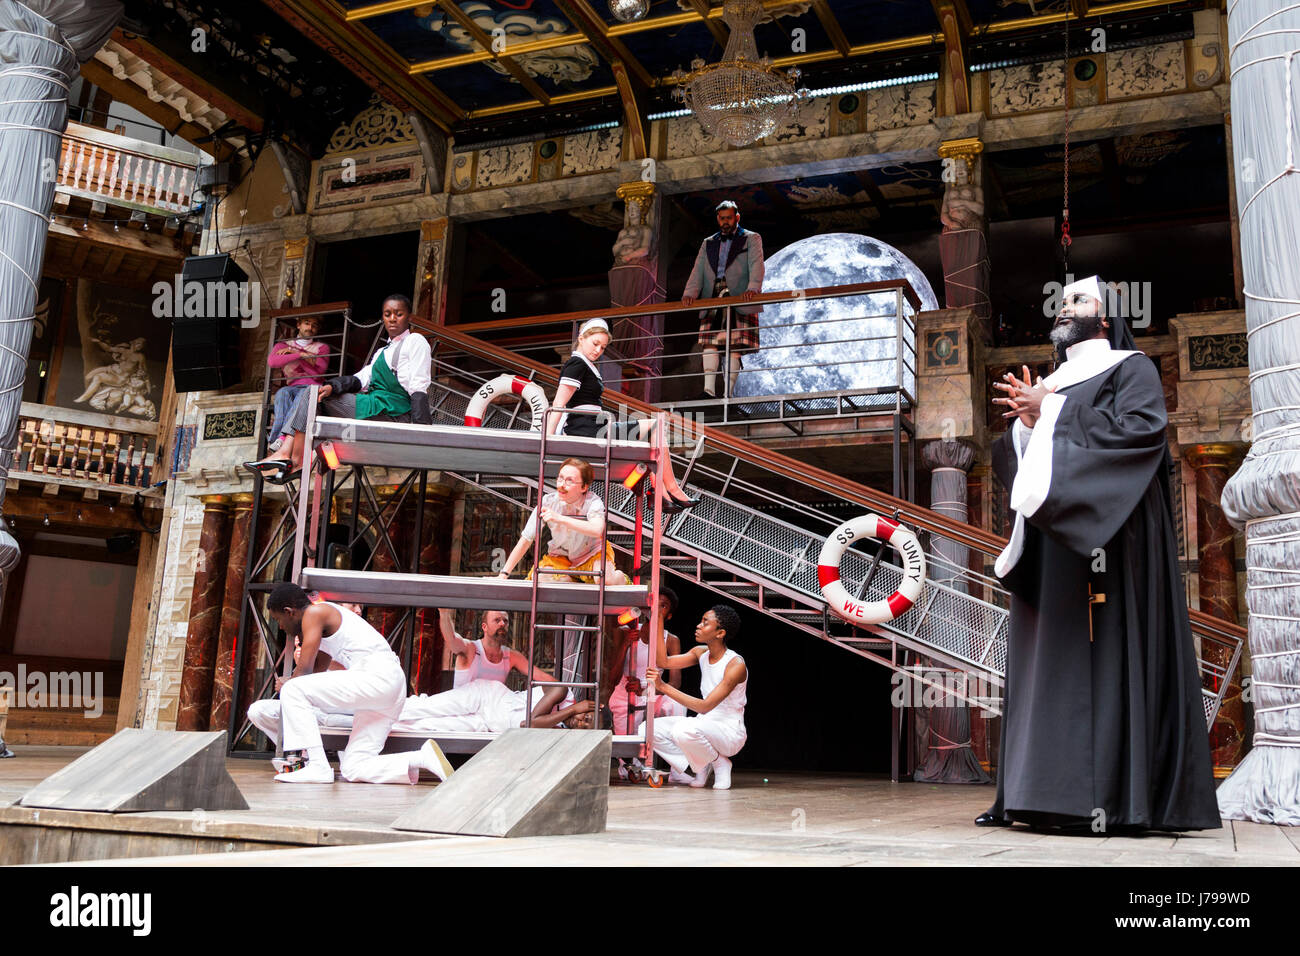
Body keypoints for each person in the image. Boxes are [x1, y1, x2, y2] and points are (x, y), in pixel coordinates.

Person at [983, 274, 1220, 833]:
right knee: (1046, 664)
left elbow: (1140, 434)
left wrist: (1052, 412)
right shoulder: (1053, 382)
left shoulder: (1131, 369)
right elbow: (1019, 464)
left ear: (1107, 317)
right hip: (1054, 551)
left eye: (1077, 301)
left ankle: (1111, 801)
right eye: (1061, 302)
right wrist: (1026, 428)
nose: (1063, 308)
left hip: (1111, 542)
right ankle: (1031, 797)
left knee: (1105, 659)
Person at [263, 582, 452, 785]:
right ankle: (421, 758)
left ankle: (317, 765)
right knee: (354, 767)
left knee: (293, 690)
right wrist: (292, 683)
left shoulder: (315, 612)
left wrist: (288, 684)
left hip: (377, 676)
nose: (280, 627)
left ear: (289, 612)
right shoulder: (323, 622)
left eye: (278, 620)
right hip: (387, 687)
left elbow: (304, 672)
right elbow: (316, 671)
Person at [245, 294, 432, 483]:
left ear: (409, 317)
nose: (392, 319)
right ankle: (292, 457)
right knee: (315, 395)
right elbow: (359, 379)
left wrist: (421, 434)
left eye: (398, 314)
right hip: (375, 406)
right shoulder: (382, 352)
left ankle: (292, 458)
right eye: (387, 314)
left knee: (310, 393)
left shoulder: (415, 341)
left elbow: (419, 385)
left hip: (394, 412)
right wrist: (331, 387)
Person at [250, 679, 596, 750]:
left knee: (408, 725)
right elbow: (527, 723)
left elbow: (527, 727)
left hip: (484, 724)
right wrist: (570, 710)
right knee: (414, 707)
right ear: (585, 704)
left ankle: (324, 719)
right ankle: (321, 702)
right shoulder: (562, 692)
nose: (580, 720)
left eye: (584, 725)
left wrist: (566, 719)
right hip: (485, 698)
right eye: (585, 715)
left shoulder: (558, 728)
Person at [647, 604, 748, 790]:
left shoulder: (735, 664)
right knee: (649, 729)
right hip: (703, 725)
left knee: (683, 730)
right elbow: (663, 661)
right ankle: (701, 764)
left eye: (705, 623)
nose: (698, 625)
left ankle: (720, 763)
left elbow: (704, 706)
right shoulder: (700, 652)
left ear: (720, 633)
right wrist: (659, 619)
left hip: (729, 732)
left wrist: (663, 687)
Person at [498, 457, 628, 587]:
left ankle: (623, 579)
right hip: (561, 557)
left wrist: (559, 518)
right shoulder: (548, 502)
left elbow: (597, 529)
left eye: (569, 481)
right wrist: (504, 574)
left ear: (584, 487)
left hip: (591, 554)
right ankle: (573, 580)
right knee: (541, 578)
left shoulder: (593, 502)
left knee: (605, 579)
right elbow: (526, 539)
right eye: (560, 478)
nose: (561, 485)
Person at [681, 200, 764, 399]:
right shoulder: (708, 242)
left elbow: (757, 264)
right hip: (713, 295)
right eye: (722, 218)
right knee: (709, 343)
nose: (725, 222)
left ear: (737, 217)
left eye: (729, 218)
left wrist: (753, 288)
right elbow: (698, 269)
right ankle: (708, 391)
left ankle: (728, 394)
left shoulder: (751, 238)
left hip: (740, 294)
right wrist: (690, 293)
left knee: (734, 345)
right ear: (718, 219)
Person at [606, 584, 686, 736]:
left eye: (663, 606)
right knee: (626, 746)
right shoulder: (627, 631)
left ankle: (677, 743)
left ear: (669, 615)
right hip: (626, 693)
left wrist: (644, 690)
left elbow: (675, 683)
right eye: (655, 603)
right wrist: (626, 644)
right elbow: (612, 679)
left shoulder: (671, 640)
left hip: (652, 692)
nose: (657, 608)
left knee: (675, 704)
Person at [439, 607, 555, 688]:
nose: (502, 624)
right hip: (466, 711)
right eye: (497, 620)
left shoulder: (511, 656)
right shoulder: (471, 649)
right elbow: (451, 639)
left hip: (492, 712)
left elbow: (541, 676)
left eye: (505, 621)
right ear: (484, 627)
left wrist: (562, 689)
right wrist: (444, 614)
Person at [266, 314, 329, 450]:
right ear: (298, 325)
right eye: (307, 323)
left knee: (302, 397)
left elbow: (318, 375)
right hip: (292, 386)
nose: (310, 327)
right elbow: (272, 362)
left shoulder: (321, 348)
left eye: (314, 325)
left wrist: (295, 355)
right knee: (282, 394)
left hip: (312, 386)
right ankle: (276, 440)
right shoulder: (283, 345)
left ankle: (282, 439)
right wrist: (300, 355)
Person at [549, 318, 612, 439]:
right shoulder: (577, 363)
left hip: (595, 425)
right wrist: (548, 437)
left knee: (649, 426)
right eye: (595, 344)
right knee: (650, 426)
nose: (598, 350)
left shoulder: (586, 365)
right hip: (585, 428)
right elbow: (559, 403)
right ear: (581, 339)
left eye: (603, 347)